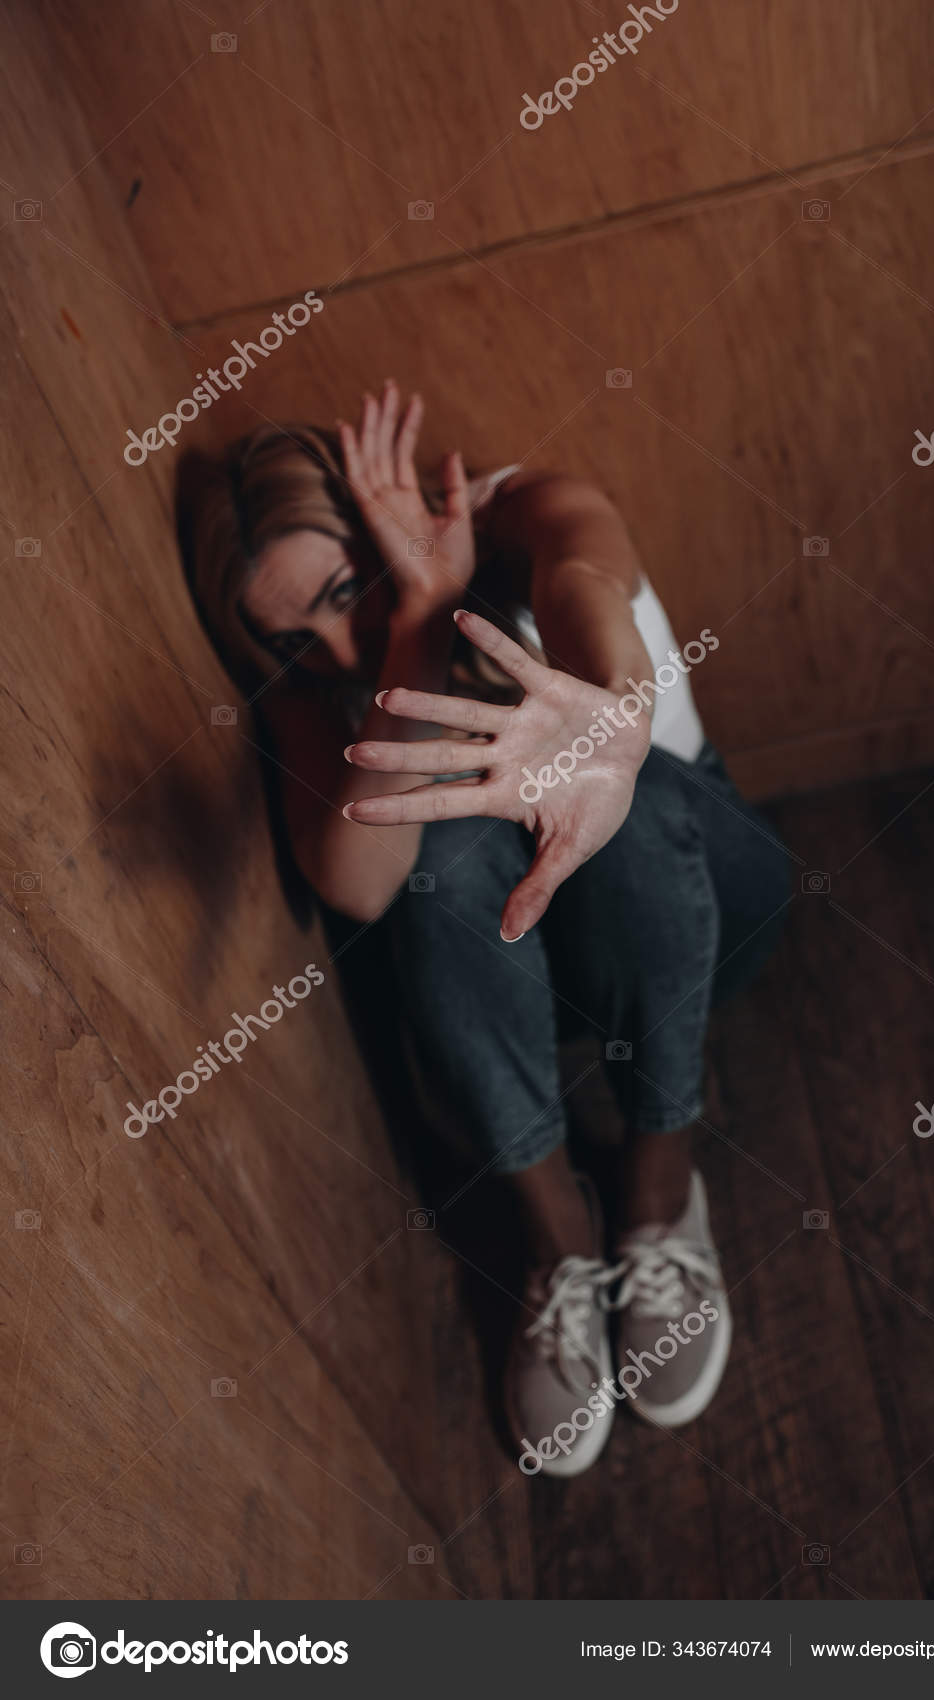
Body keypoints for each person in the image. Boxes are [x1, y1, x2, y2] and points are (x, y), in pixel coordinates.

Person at [182, 382, 790, 1476]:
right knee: (437, 851)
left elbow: (586, 576)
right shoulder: (314, 685)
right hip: (532, 982)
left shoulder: (532, 514)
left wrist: (611, 718)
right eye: (295, 634)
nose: (331, 645)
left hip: (701, 904)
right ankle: (559, 1239)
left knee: (636, 792)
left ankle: (659, 1193)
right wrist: (414, 617)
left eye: (344, 589)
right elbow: (358, 887)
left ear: (382, 512)